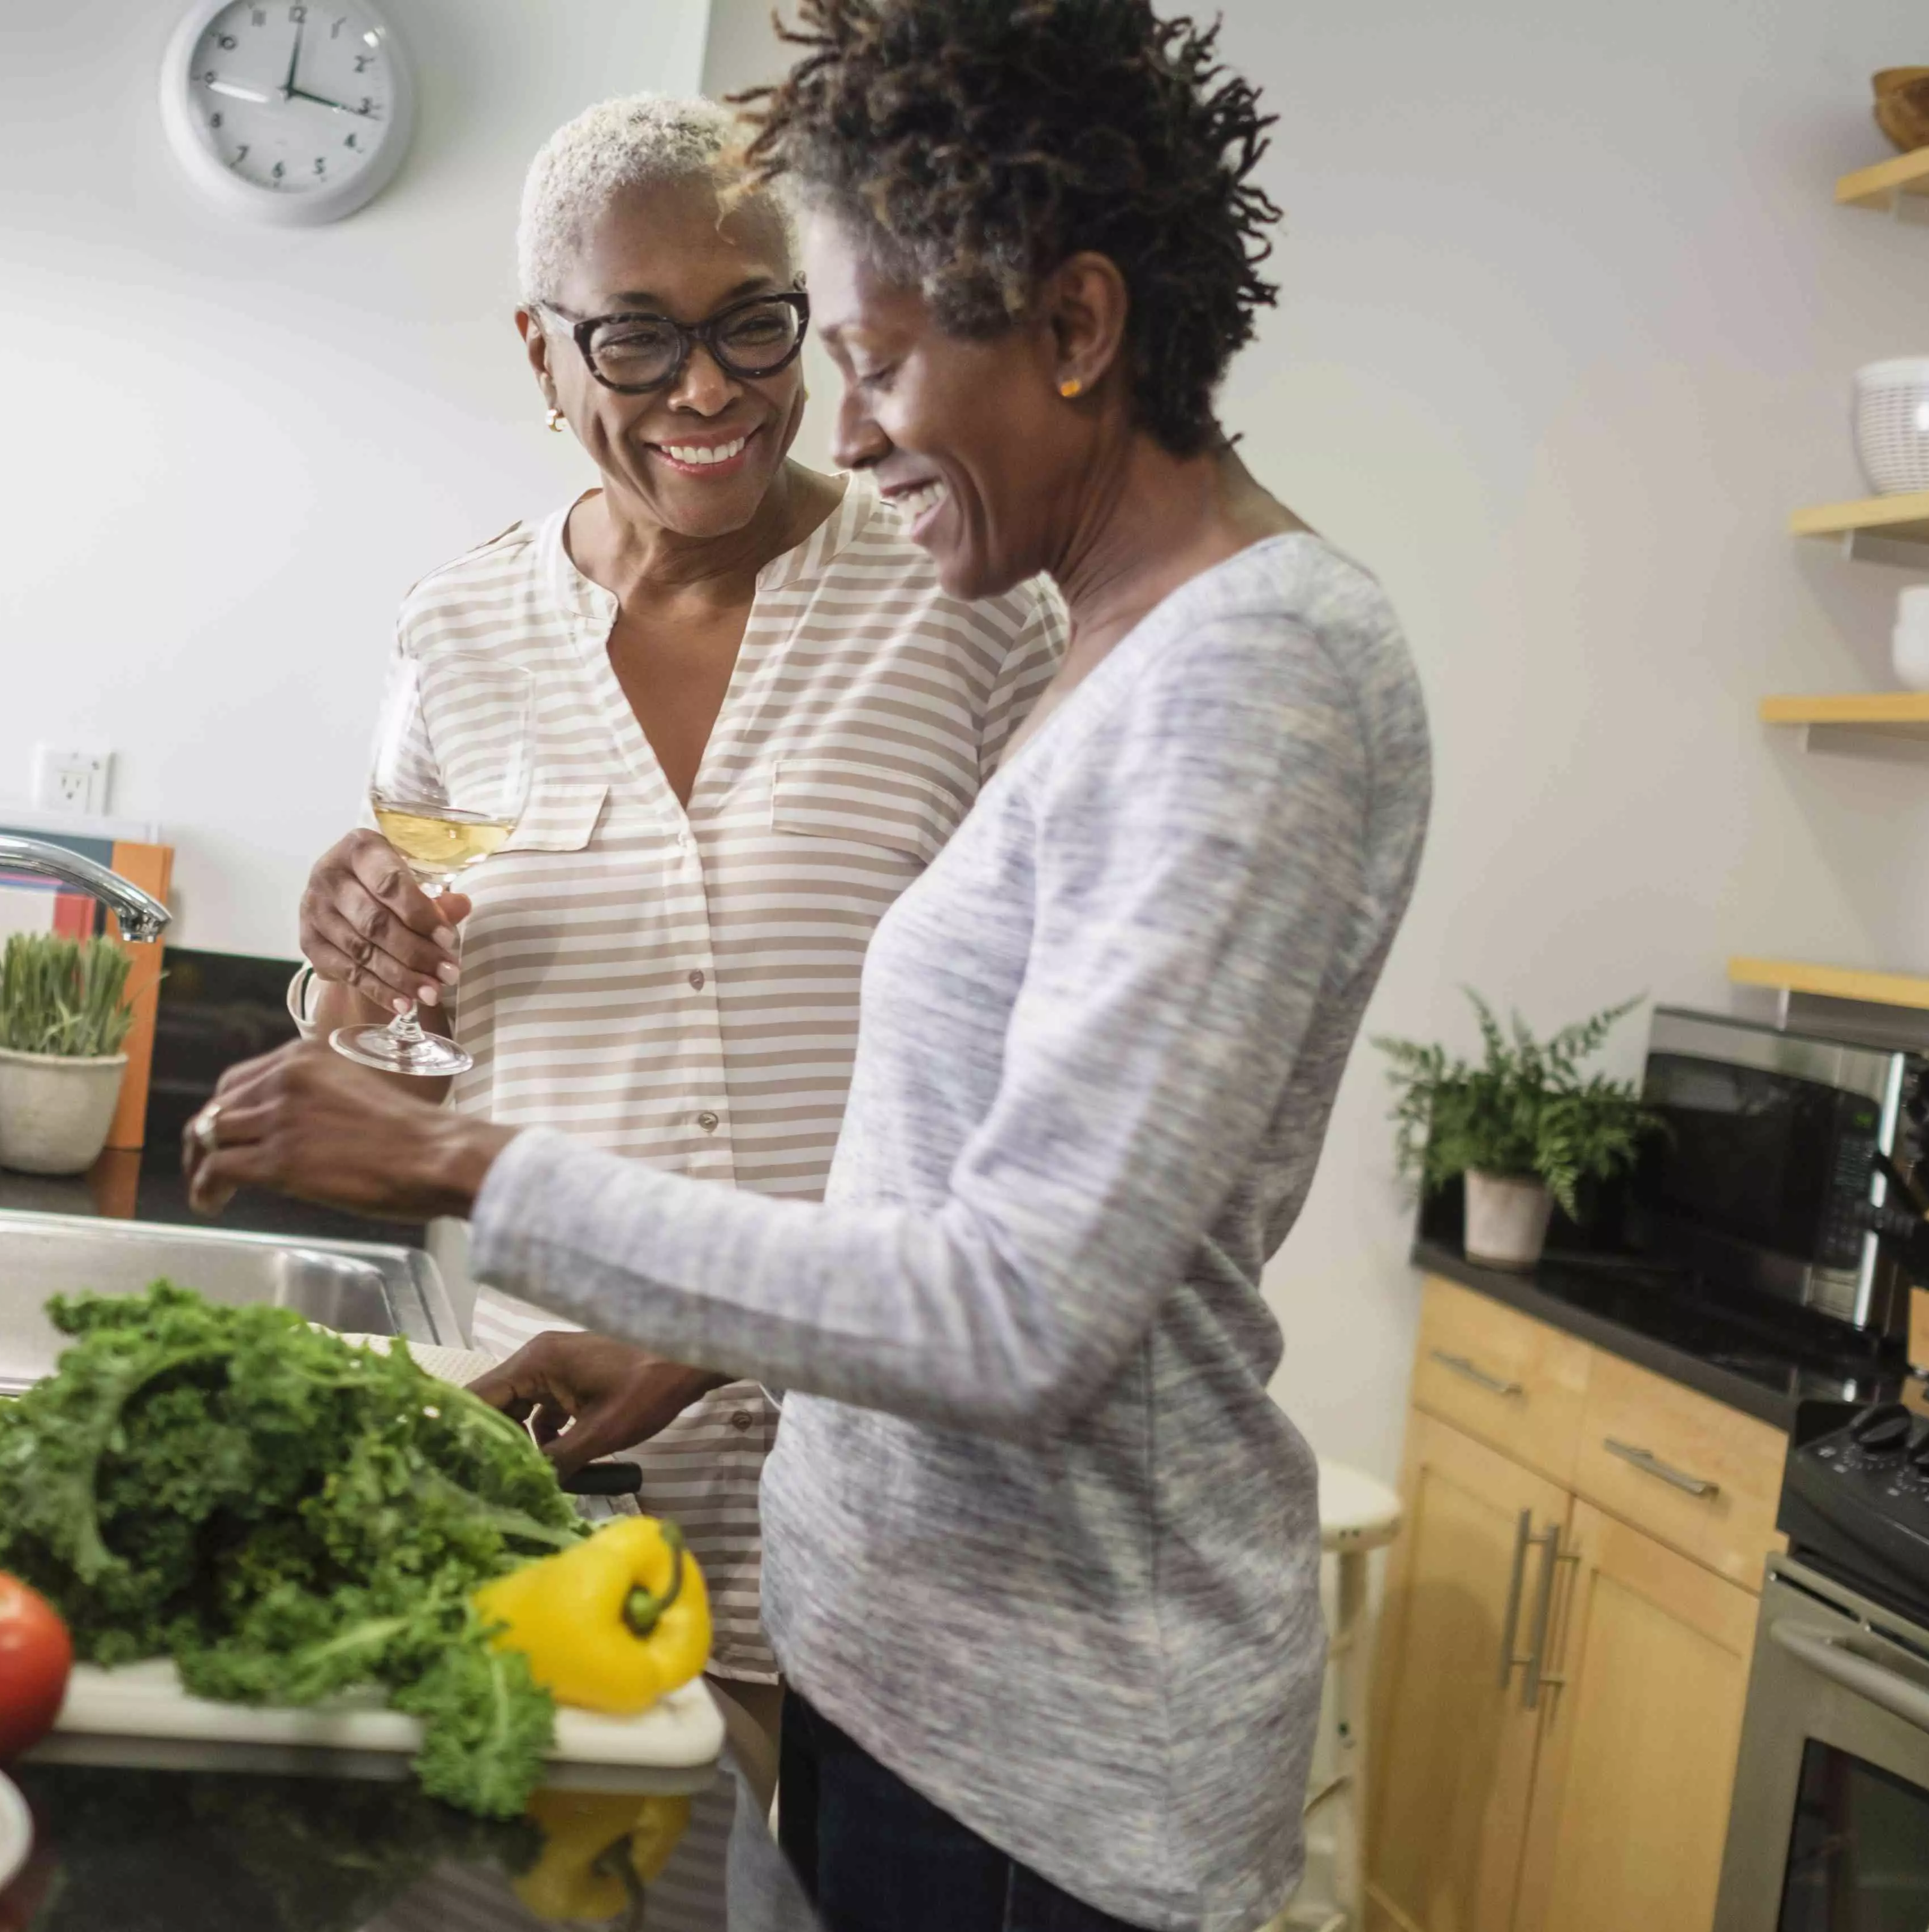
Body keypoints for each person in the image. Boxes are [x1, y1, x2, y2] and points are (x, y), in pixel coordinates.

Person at [190, 4, 1431, 1927]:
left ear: (1080, 329)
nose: (833, 429)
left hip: (1057, 1749)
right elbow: (963, 1165)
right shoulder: (1125, 642)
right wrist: (684, 1340)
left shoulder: (1252, 673)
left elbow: (1023, 1312)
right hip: (910, 1674)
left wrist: (461, 1164)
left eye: (859, 357)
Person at [289, 94, 1065, 1749]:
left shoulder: (969, 605)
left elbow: (1036, 1084)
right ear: (541, 351)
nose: (705, 392)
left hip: (880, 1523)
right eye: (634, 341)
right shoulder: (458, 631)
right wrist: (357, 963)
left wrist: (716, 1325)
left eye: (751, 326)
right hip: (552, 1499)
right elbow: (400, 1073)